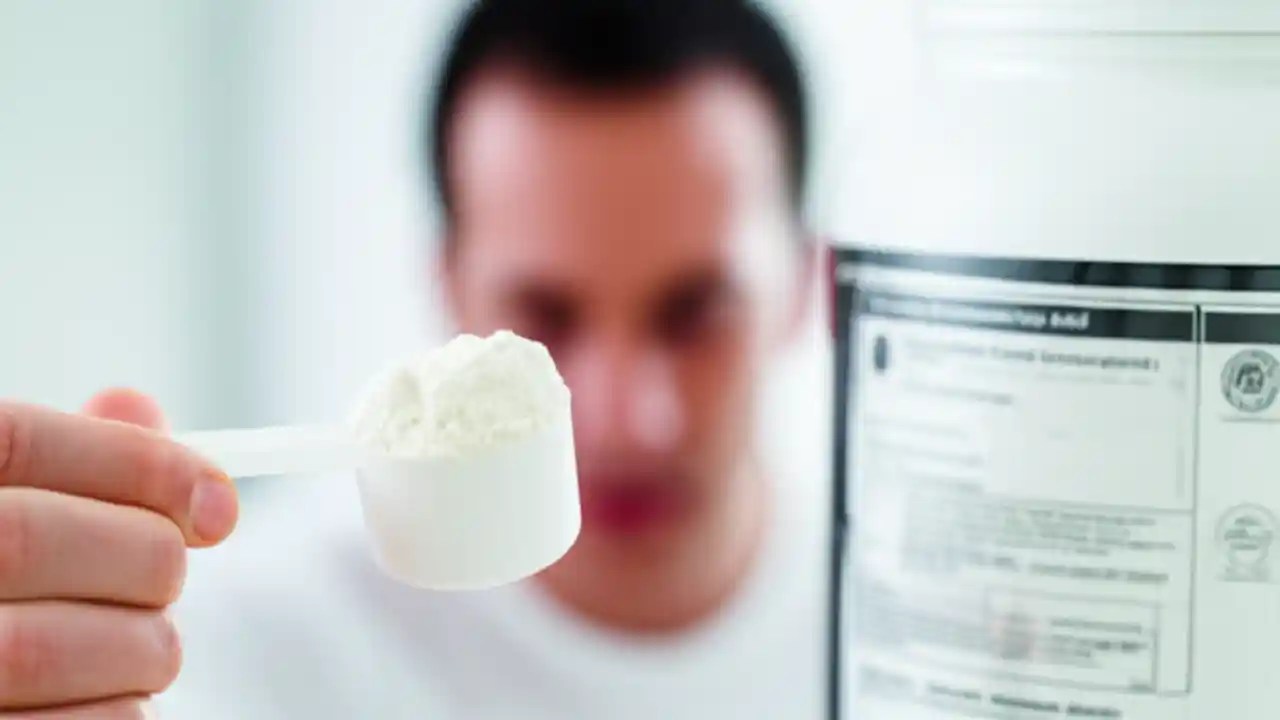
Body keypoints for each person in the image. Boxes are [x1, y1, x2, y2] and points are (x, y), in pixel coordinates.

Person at [0, 0, 829, 717]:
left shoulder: (890, 638)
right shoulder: (213, 647)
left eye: (695, 317)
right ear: (450, 290)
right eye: (545, 316)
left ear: (808, 286)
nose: (628, 421)